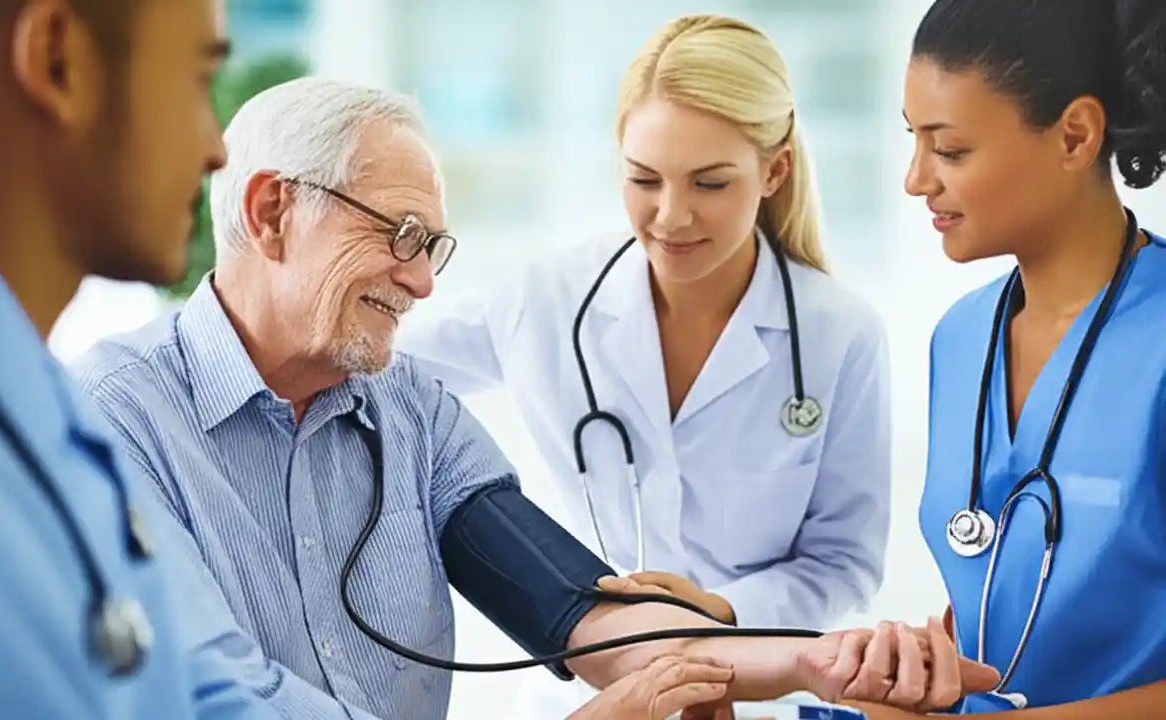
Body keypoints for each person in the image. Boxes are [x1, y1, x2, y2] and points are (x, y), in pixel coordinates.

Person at [71, 76, 995, 720]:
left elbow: (579, 610)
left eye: (433, 247)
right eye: (400, 234)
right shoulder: (114, 421)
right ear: (272, 211)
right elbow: (212, 695)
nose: (422, 283)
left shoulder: (412, 411)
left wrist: (823, 661)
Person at [395, 14, 891, 717]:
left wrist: (717, 612)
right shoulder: (548, 301)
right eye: (644, 179)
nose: (671, 215)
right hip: (591, 693)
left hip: (755, 688)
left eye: (710, 183)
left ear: (774, 169)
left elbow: (844, 561)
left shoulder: (839, 335)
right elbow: (372, 359)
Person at [0, 0, 296, 716]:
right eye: (199, 83)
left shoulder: (30, 393)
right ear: (58, 60)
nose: (217, 150)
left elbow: (191, 693)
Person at [851, 0, 1166, 717]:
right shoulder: (960, 338)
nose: (915, 180)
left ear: (1075, 135)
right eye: (913, 141)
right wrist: (915, 674)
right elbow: (1004, 586)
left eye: (950, 150)